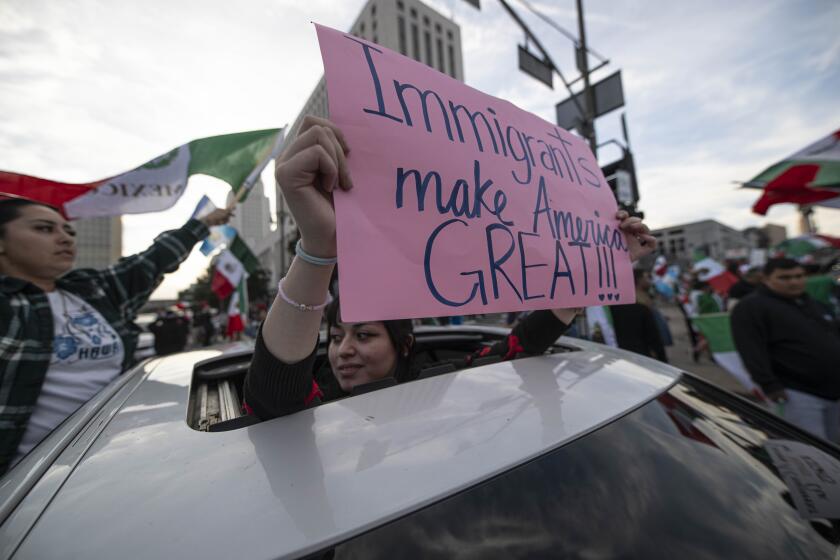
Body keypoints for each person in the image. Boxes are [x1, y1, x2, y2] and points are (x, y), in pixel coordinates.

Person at [243, 116, 658, 420]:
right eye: (334, 338)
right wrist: (318, 248)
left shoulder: (441, 388)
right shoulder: (318, 407)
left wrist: (600, 260)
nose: (343, 351)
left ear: (404, 346)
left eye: (364, 335)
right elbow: (273, 403)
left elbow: (518, 350)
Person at [0, 198, 231, 473]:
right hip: (32, 482)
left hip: (110, 454)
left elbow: (152, 261)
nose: (64, 238)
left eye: (69, 231)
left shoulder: (90, 290)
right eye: (44, 229)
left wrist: (203, 223)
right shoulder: (8, 306)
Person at [731, 257, 840, 442]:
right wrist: (769, 384)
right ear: (765, 279)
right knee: (811, 453)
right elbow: (750, 348)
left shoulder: (813, 304)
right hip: (796, 394)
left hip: (833, 392)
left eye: (799, 276)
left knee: (833, 451)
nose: (794, 282)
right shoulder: (752, 307)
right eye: (785, 278)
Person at [610, 269, 668, 362]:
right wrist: (663, 359)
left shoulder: (612, 307)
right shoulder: (640, 306)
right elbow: (653, 337)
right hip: (639, 356)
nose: (649, 281)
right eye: (646, 278)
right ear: (638, 280)